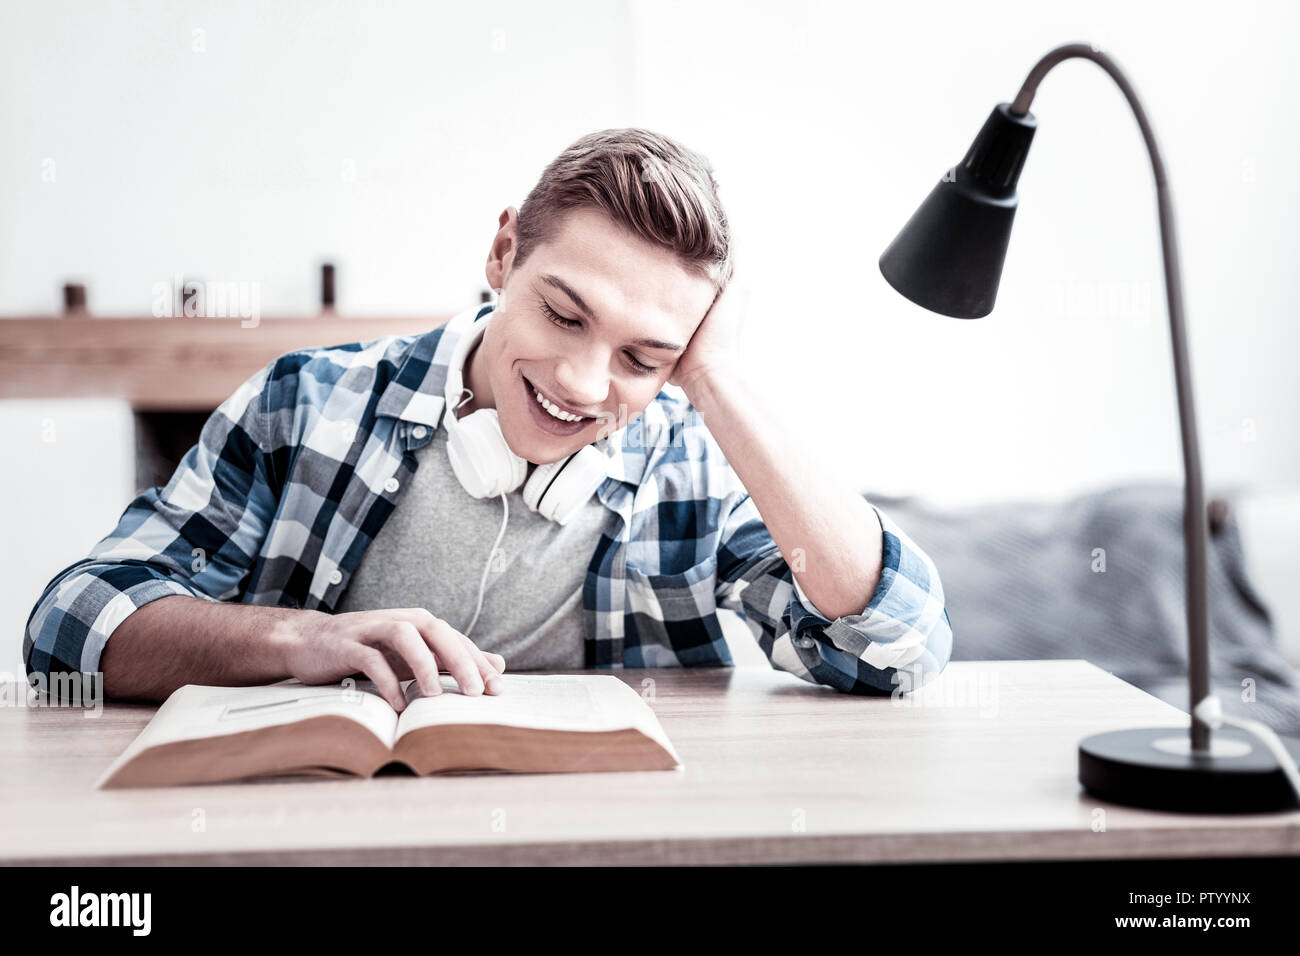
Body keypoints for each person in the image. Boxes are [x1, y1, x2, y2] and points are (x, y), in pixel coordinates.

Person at [24, 128, 952, 714]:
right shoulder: (308, 404)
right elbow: (67, 627)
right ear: (503, 251)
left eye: (643, 355)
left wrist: (715, 381)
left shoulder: (683, 461)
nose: (584, 385)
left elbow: (895, 649)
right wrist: (298, 642)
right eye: (563, 313)